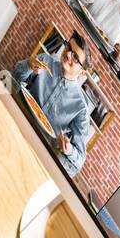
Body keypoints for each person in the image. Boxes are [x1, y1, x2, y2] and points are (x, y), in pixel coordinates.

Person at [11, 31, 94, 177]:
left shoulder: (81, 109)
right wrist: (28, 65)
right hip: (17, 116)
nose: (68, 54)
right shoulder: (45, 60)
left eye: (75, 57)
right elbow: (15, 76)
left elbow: (79, 160)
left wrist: (68, 149)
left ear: (82, 73)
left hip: (38, 147)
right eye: (69, 48)